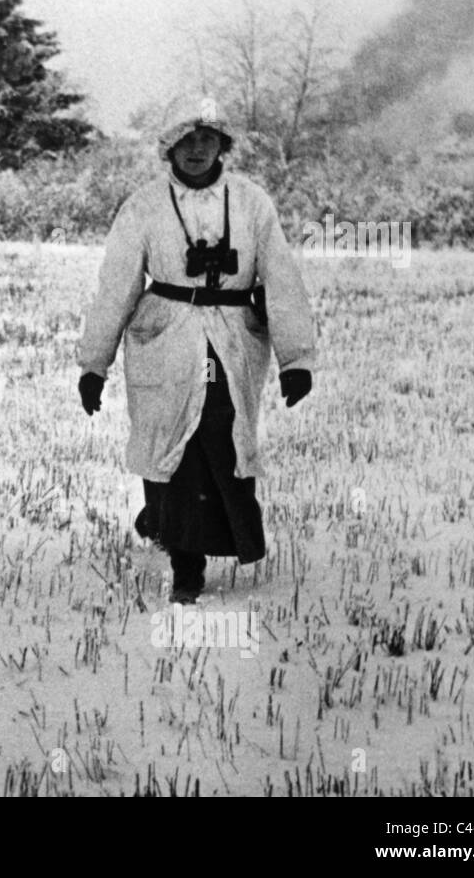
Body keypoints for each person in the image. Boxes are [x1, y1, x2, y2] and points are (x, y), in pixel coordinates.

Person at [75, 102, 317, 605]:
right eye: (186, 140)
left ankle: (172, 525)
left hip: (232, 338)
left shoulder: (251, 203)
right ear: (169, 147)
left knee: (220, 433)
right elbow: (116, 286)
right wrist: (94, 364)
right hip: (166, 337)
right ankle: (185, 562)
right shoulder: (144, 206)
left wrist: (296, 359)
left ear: (223, 146)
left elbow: (282, 279)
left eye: (208, 139)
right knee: (172, 441)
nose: (197, 149)